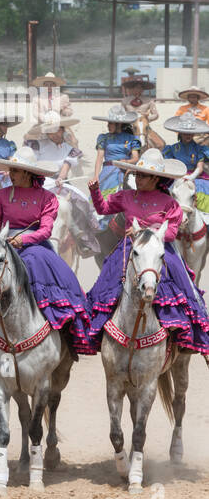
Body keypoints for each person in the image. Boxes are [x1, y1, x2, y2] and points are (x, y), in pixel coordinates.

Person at [0, 147, 93, 367]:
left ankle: (62, 331)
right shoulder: (0, 196)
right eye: (11, 170)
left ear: (28, 173)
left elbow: (46, 231)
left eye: (16, 170)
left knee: (38, 265)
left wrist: (23, 241)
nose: (12, 174)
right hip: (3, 245)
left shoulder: (47, 198)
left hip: (35, 247)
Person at [84, 150, 209, 354]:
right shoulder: (126, 196)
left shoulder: (169, 202)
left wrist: (144, 231)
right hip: (129, 247)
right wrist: (95, 191)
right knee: (105, 280)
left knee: (184, 283)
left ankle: (186, 333)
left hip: (161, 249)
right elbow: (103, 209)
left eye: (142, 175)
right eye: (137, 175)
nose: (138, 179)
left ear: (155, 178)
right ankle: (98, 331)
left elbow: (171, 233)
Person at [27, 112, 102, 256]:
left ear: (62, 130)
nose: (52, 134)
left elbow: (65, 168)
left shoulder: (70, 150)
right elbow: (33, 163)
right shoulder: (37, 145)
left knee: (79, 201)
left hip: (59, 182)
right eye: (49, 132)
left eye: (55, 130)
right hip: (40, 181)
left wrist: (60, 178)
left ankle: (81, 239)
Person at [91, 105, 143, 198]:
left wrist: (126, 162)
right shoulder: (104, 138)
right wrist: (96, 176)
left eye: (110, 123)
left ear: (119, 124)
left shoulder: (132, 139)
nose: (107, 125)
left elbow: (135, 158)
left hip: (126, 171)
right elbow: (99, 158)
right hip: (108, 172)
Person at [161, 113, 209, 213]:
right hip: (176, 176)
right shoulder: (172, 149)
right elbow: (169, 166)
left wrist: (191, 177)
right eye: (185, 133)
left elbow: (200, 167)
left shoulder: (200, 149)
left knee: (204, 187)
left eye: (190, 133)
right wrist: (179, 177)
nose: (188, 135)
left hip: (195, 177)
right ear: (180, 133)